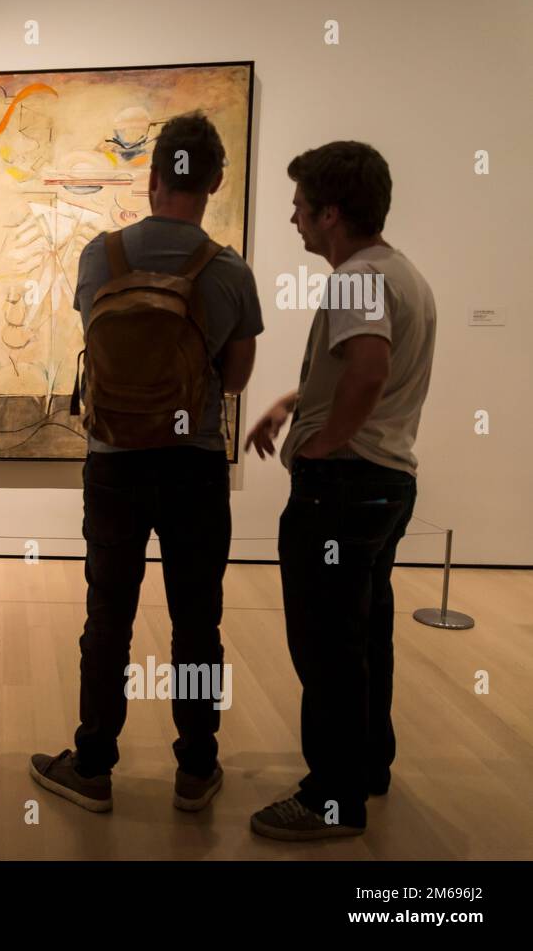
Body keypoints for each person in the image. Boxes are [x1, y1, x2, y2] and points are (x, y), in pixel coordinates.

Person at [30, 112, 263, 813]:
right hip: (192, 469)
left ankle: (94, 764)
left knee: (108, 616)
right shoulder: (228, 271)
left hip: (113, 465)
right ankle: (196, 769)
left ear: (155, 176)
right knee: (197, 622)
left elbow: (100, 349)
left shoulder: (100, 257)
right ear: (215, 181)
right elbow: (236, 379)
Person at [246, 141, 436, 840]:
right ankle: (367, 765)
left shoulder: (356, 279)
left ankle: (332, 796)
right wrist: (298, 404)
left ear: (330, 213)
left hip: (343, 488)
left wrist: (325, 444)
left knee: (325, 643)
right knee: (363, 634)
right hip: (386, 484)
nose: (292, 217)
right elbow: (352, 369)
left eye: (300, 205)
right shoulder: (399, 272)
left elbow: (368, 370)